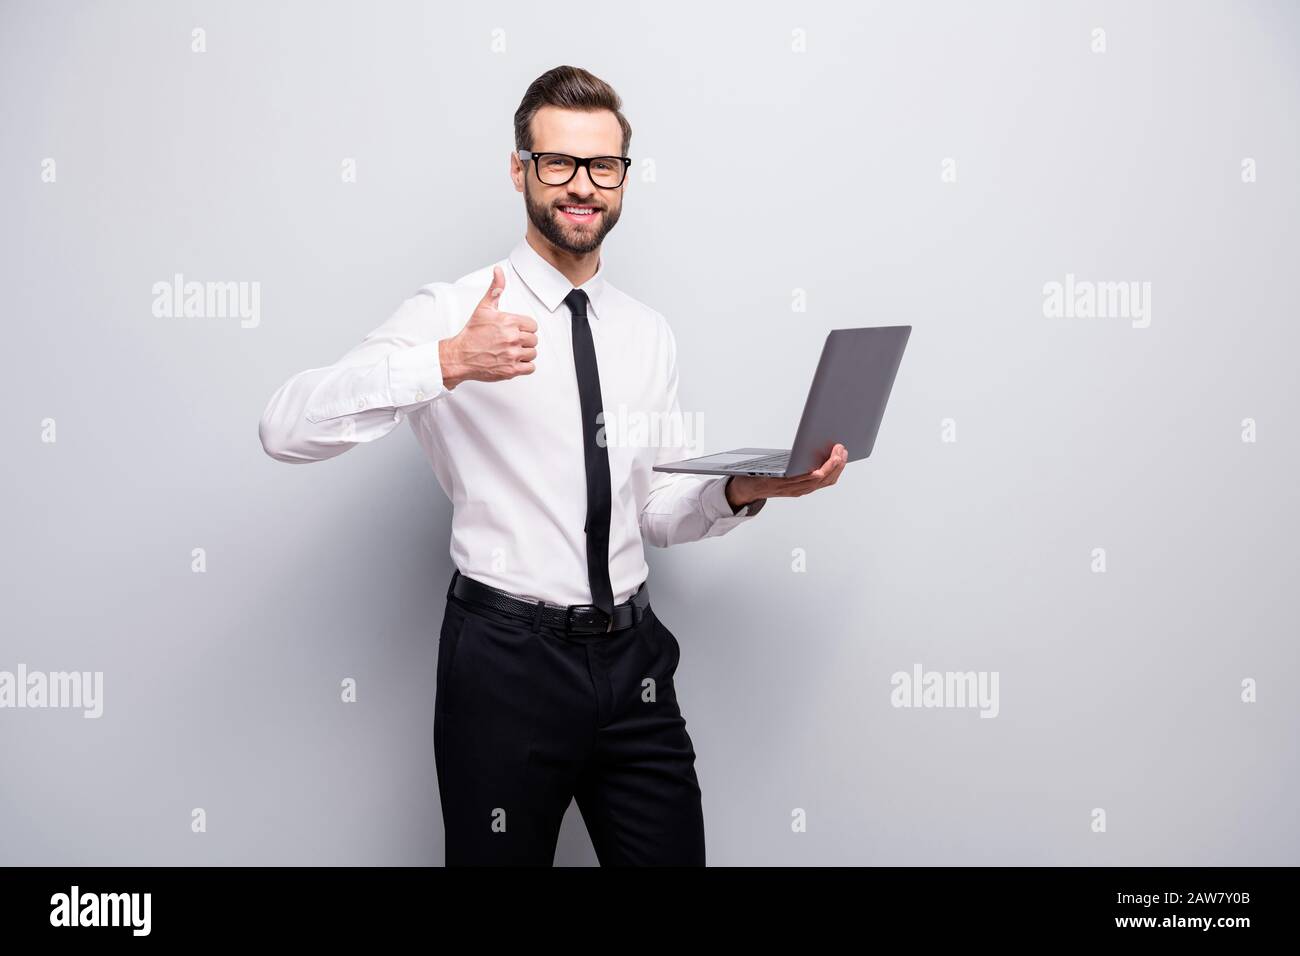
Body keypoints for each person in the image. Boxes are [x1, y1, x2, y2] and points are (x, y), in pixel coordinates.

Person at [258, 64, 848, 865]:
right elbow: (285, 426)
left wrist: (745, 489)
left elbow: (653, 514)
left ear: (623, 178)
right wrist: (446, 360)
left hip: (635, 662)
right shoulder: (452, 311)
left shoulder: (648, 333)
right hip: (506, 664)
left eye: (603, 167)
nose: (582, 186)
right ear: (520, 169)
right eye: (559, 163)